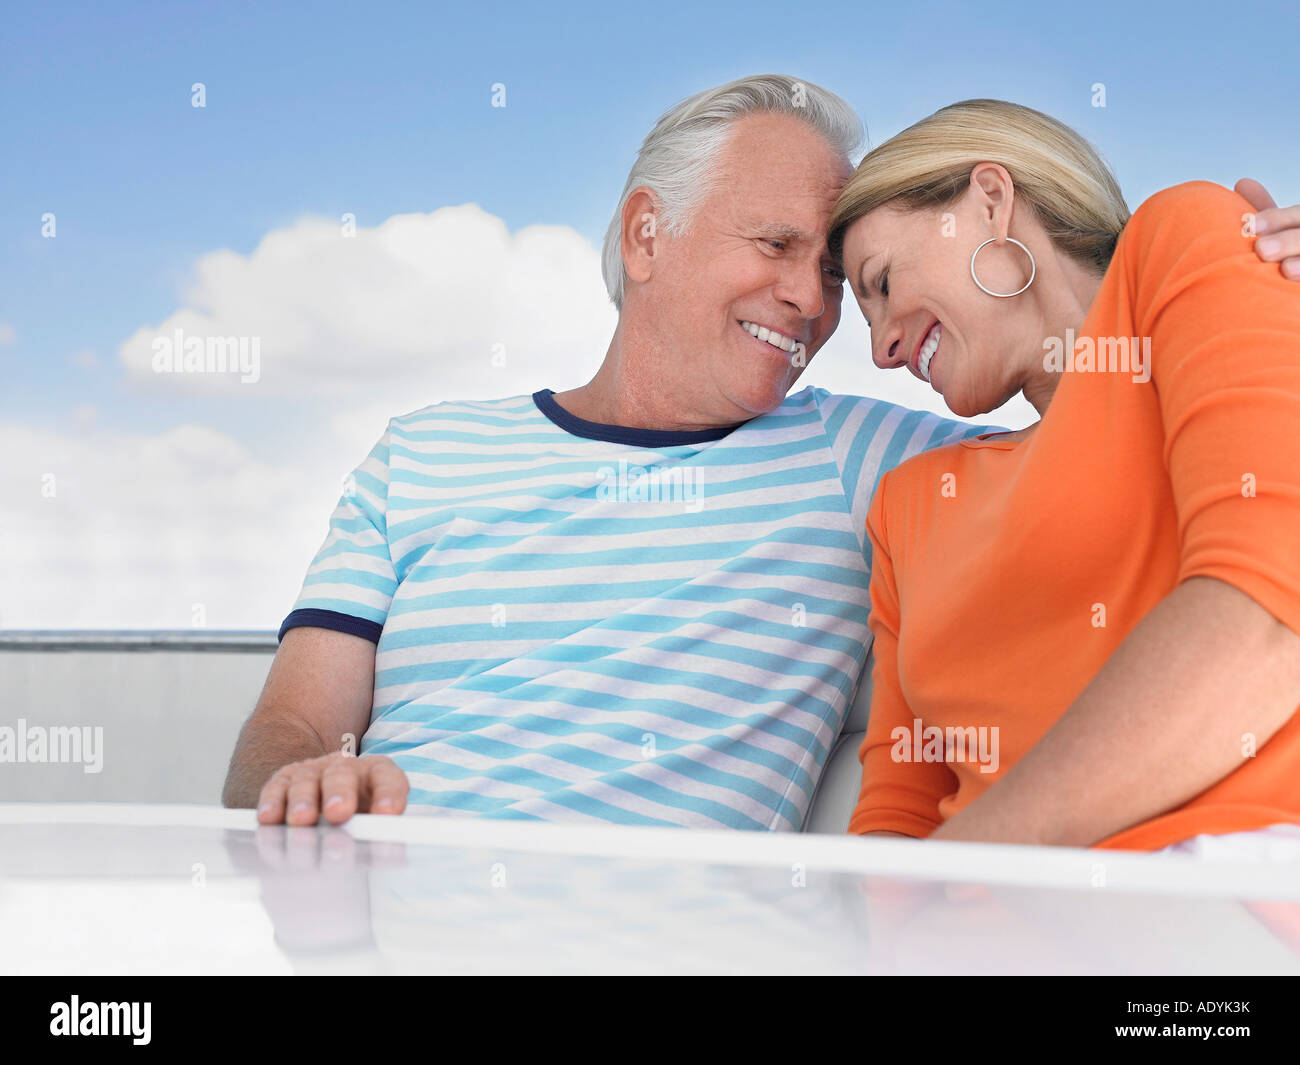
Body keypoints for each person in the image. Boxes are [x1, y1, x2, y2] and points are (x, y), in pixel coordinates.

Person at [223, 76, 1300, 832]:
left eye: (843, 279)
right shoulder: (421, 454)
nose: (818, 309)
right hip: (360, 892)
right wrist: (301, 790)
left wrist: (1258, 303)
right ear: (647, 234)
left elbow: (1142, 450)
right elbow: (294, 720)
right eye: (779, 247)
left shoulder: (856, 456)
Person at [829, 98, 1300, 852]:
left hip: (1223, 886)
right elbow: (898, 804)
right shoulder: (910, 503)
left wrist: (969, 872)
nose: (883, 346)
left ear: (989, 201)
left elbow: (1271, 620)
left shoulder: (1187, 235)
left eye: (880, 283)